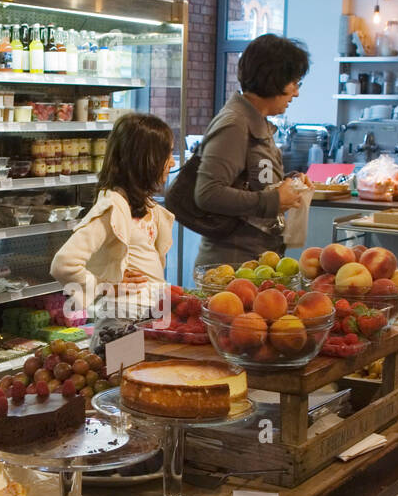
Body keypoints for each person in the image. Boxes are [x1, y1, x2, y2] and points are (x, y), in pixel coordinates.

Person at [50, 112, 176, 341]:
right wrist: (105, 286)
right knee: (118, 366)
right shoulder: (113, 207)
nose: (173, 162)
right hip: (122, 321)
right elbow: (63, 263)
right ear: (145, 159)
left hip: (146, 316)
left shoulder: (142, 205)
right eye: (166, 154)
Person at [192, 33, 309, 269]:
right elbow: (208, 193)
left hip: (254, 263)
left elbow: (251, 181)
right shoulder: (235, 124)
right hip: (231, 267)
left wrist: (288, 184)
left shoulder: (255, 121)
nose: (296, 93)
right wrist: (273, 199)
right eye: (294, 83)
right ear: (275, 80)